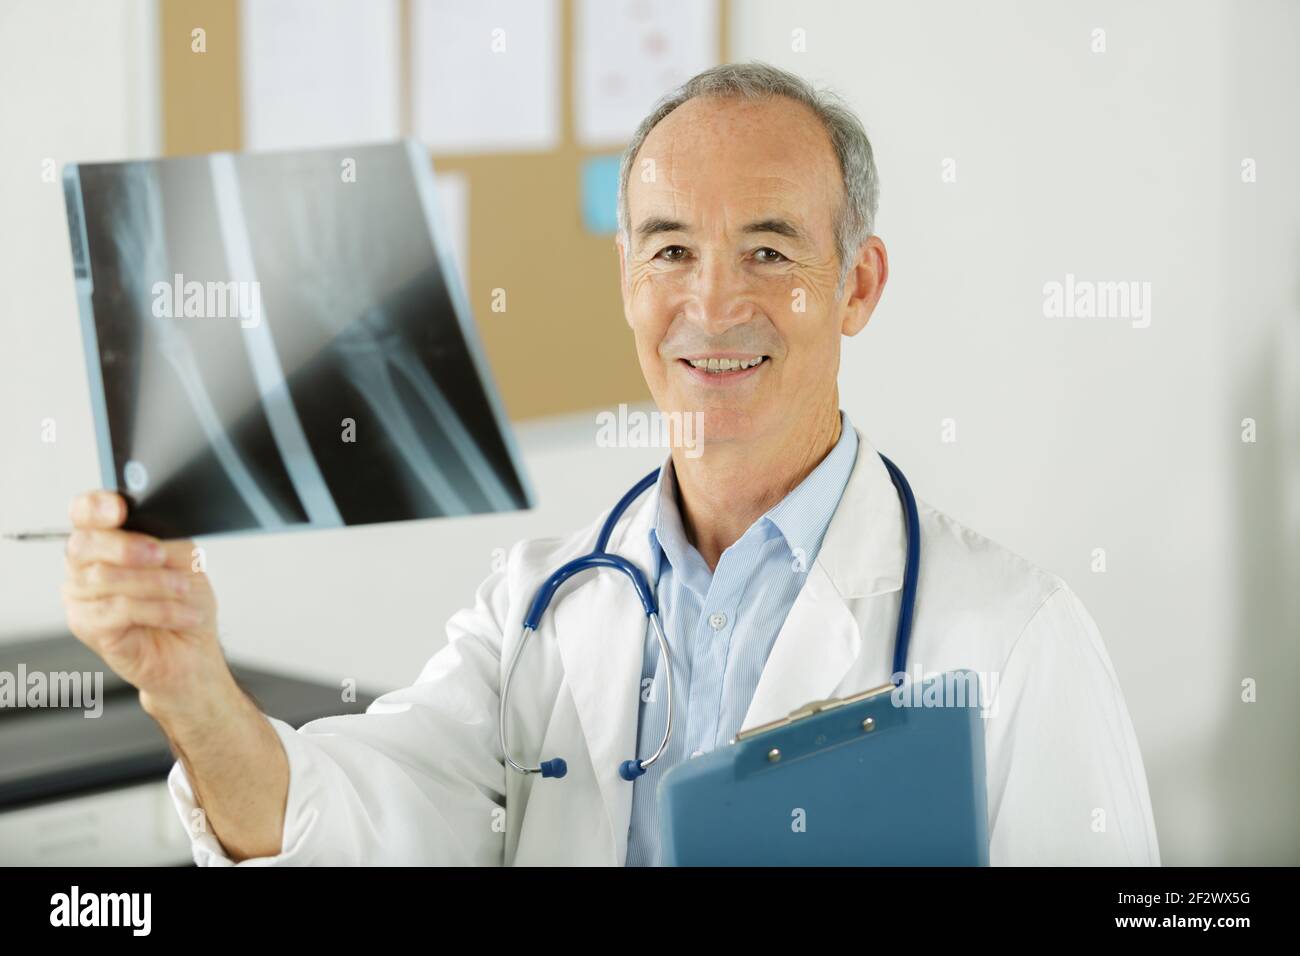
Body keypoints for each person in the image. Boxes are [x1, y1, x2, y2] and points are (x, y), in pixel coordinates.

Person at [61, 61, 1160, 866]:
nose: (712, 303)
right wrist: (190, 689)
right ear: (626, 277)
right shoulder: (536, 608)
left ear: (857, 284)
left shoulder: (1013, 638)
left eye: (768, 250)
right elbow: (339, 823)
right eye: (671, 248)